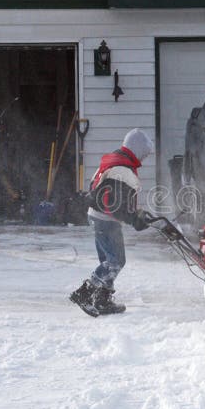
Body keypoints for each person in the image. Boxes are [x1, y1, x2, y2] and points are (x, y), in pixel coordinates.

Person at [70, 129, 154, 317]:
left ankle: (102, 300)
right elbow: (111, 203)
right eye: (145, 152)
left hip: (98, 217)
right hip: (105, 220)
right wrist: (133, 219)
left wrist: (135, 213)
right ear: (137, 148)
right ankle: (85, 293)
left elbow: (108, 196)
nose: (146, 157)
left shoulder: (116, 162)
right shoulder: (122, 169)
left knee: (108, 260)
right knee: (116, 261)